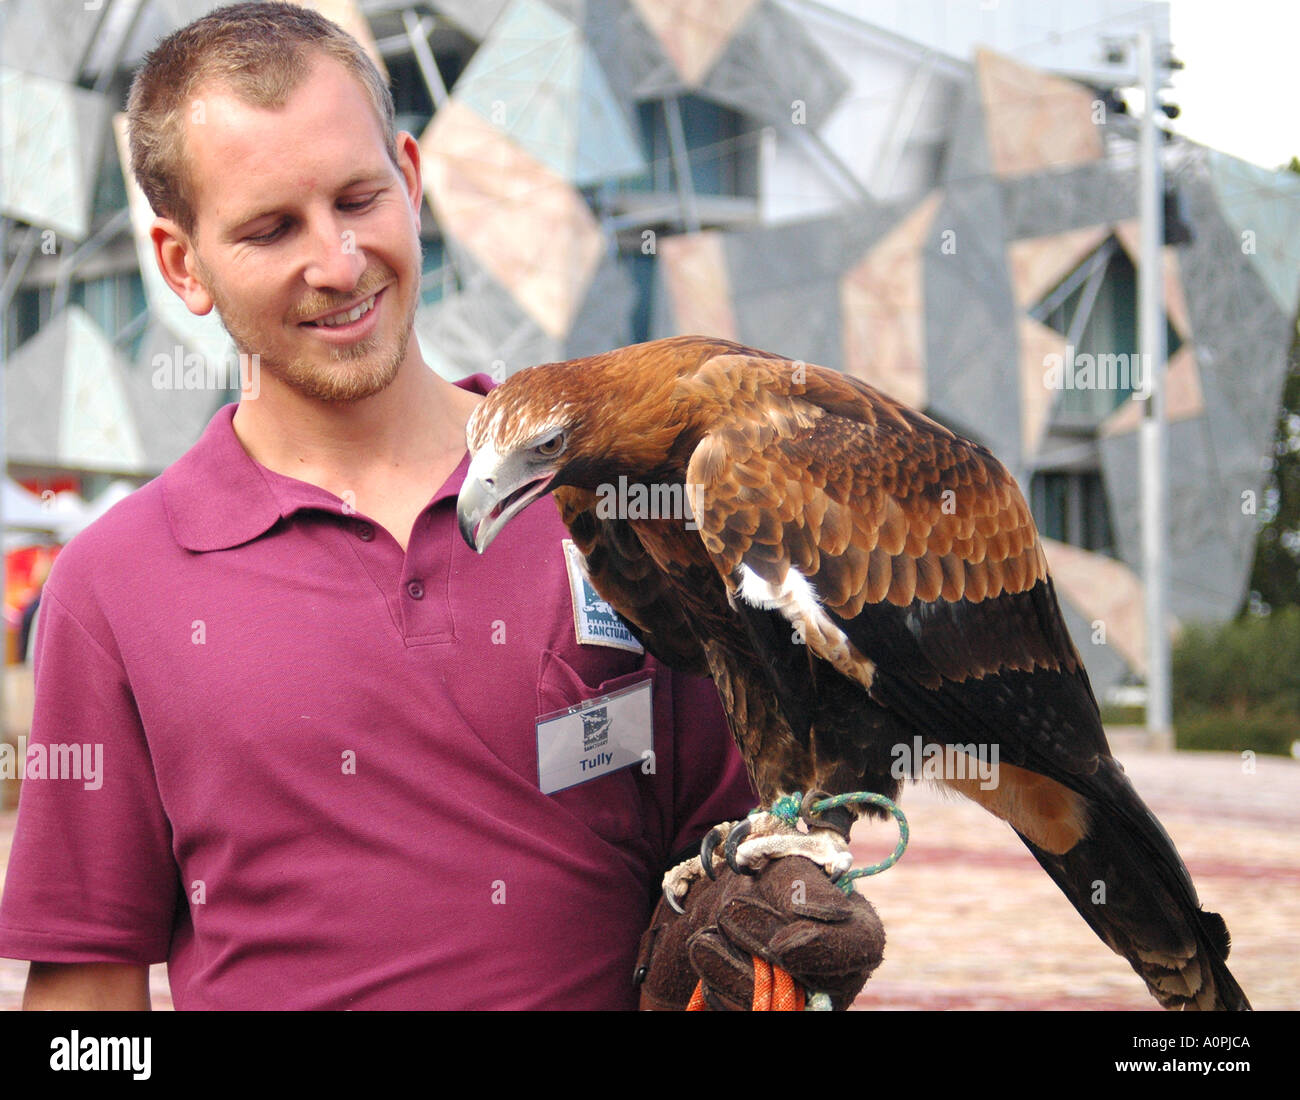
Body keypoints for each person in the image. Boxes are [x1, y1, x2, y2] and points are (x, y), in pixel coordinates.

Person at [0, 2, 879, 1010]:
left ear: (412, 181)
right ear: (180, 264)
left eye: (357, 198)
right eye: (270, 227)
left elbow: (735, 869)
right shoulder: (113, 586)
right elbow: (85, 994)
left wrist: (779, 935)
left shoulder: (626, 510)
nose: (335, 262)